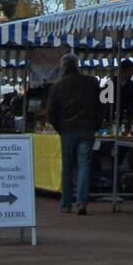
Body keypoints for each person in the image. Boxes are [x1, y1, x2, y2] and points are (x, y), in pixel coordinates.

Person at [47, 52, 103, 215]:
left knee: (67, 167)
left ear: (62, 67)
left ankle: (66, 204)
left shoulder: (57, 86)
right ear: (77, 65)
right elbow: (101, 106)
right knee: (84, 165)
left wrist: (60, 128)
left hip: (67, 130)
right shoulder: (92, 82)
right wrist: (96, 125)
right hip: (87, 129)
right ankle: (82, 202)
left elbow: (51, 113)